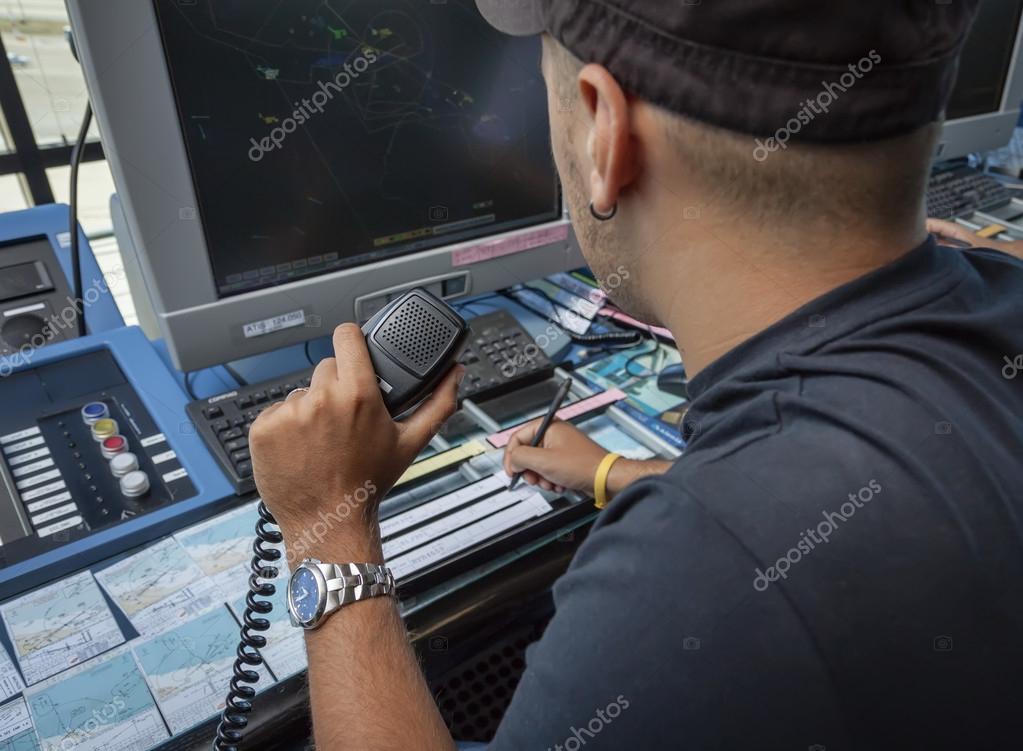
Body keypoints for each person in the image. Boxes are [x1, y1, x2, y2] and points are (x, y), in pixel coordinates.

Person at [249, 1, 1023, 748]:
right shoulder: (999, 292)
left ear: (604, 132)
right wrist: (617, 473)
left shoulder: (692, 577)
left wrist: (328, 529)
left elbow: (769, 531)